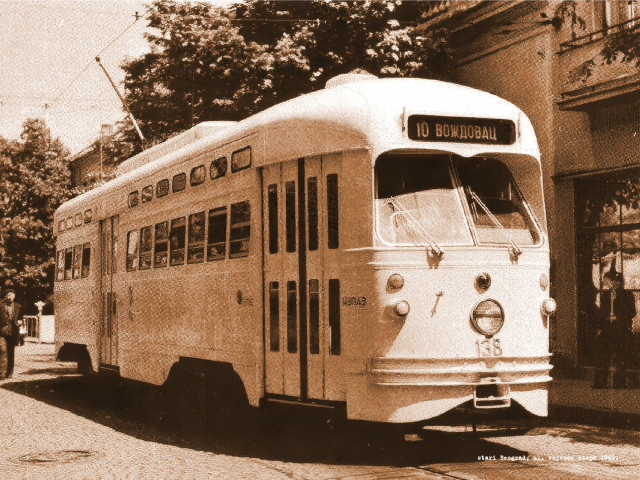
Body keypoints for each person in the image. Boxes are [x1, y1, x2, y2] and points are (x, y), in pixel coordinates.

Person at [593, 270, 636, 389]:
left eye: (617, 281)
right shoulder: (604, 295)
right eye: (612, 281)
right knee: (602, 355)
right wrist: (600, 327)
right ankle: (600, 383)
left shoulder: (627, 295)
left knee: (620, 356)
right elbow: (601, 313)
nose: (615, 284)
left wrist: (619, 316)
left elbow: (632, 312)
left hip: (621, 328)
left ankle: (619, 383)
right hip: (607, 328)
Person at [0, 288, 22, 379]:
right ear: (6, 296)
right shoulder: (1, 305)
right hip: (2, 331)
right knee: (3, 351)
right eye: (8, 295)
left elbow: (20, 317)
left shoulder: (18, 306)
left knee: (11, 352)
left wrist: (20, 322)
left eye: (11, 295)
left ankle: (9, 373)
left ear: (14, 296)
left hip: (13, 332)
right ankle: (2, 373)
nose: (10, 297)